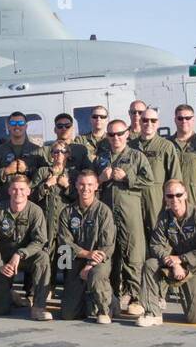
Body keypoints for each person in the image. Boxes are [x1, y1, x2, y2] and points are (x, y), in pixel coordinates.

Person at [94, 120, 154, 317]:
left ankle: (135, 296)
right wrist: (100, 180)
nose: (116, 138)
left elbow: (149, 182)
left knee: (133, 254)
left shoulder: (137, 157)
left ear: (127, 134)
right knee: (110, 254)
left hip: (130, 212)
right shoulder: (101, 159)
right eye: (111, 135)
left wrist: (127, 178)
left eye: (120, 133)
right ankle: (112, 297)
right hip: (107, 214)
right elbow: (87, 184)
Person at [138, 179, 196, 327]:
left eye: (178, 194)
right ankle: (152, 313)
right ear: (165, 198)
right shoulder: (164, 217)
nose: (175, 199)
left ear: (185, 195)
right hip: (173, 262)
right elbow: (155, 245)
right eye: (170, 196)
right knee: (150, 264)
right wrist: (172, 262)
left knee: (194, 318)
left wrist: (180, 259)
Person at [0, 174, 52, 321]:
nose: (18, 193)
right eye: (14, 189)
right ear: (9, 191)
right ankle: (10, 295)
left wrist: (20, 254)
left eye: (22, 189)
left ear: (28, 191)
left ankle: (38, 307)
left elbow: (40, 241)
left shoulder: (35, 211)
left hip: (26, 257)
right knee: (0, 310)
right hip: (4, 259)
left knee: (43, 258)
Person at [57, 170, 116, 323]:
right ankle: (87, 301)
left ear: (96, 186)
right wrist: (86, 254)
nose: (85, 188)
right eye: (82, 184)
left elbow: (107, 245)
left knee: (96, 275)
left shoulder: (103, 211)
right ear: (76, 185)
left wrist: (90, 263)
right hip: (76, 260)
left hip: (99, 261)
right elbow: (64, 244)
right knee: (67, 314)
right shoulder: (67, 212)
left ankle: (107, 308)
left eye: (90, 185)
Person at [36, 142, 77, 298]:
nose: (58, 154)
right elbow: (31, 196)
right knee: (49, 256)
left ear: (68, 154)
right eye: (55, 151)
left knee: (65, 255)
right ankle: (49, 286)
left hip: (66, 225)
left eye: (62, 151)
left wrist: (67, 186)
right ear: (51, 154)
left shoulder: (73, 174)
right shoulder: (43, 172)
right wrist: (46, 185)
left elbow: (81, 197)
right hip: (47, 223)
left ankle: (67, 287)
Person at [133, 106, 181, 235]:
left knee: (159, 237)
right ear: (139, 121)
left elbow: (175, 179)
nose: (149, 123)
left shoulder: (166, 146)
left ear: (158, 123)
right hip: (134, 202)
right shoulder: (130, 146)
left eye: (153, 120)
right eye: (145, 120)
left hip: (157, 203)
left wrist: (172, 203)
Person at [0, 111, 46, 205]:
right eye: (13, 123)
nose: (17, 126)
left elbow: (43, 175)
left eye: (21, 123)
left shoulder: (37, 150)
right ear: (9, 126)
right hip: (6, 202)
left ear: (26, 126)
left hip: (31, 202)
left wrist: (27, 170)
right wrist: (5, 171)